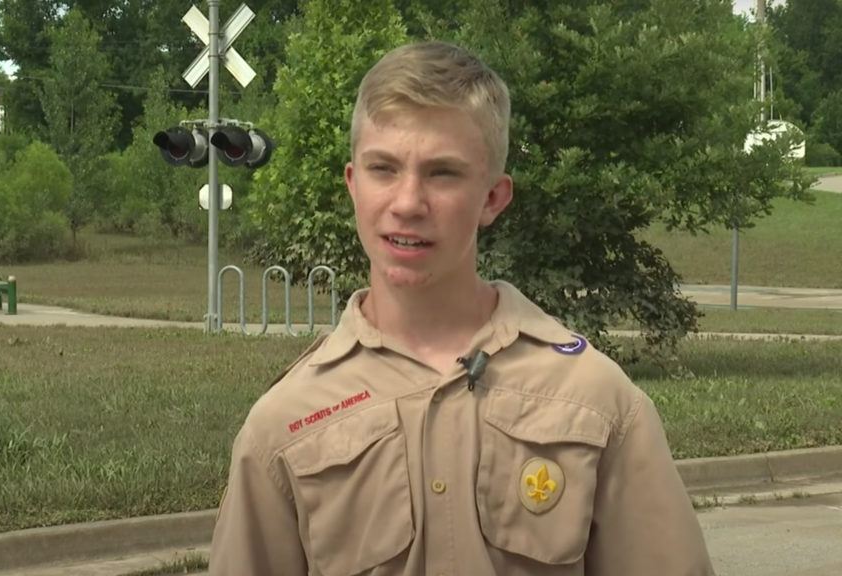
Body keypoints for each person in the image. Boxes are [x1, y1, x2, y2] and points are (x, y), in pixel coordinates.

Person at [208, 40, 715, 576]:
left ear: (493, 198)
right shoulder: (285, 424)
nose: (407, 203)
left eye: (442, 173)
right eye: (384, 169)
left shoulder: (595, 400)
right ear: (353, 186)